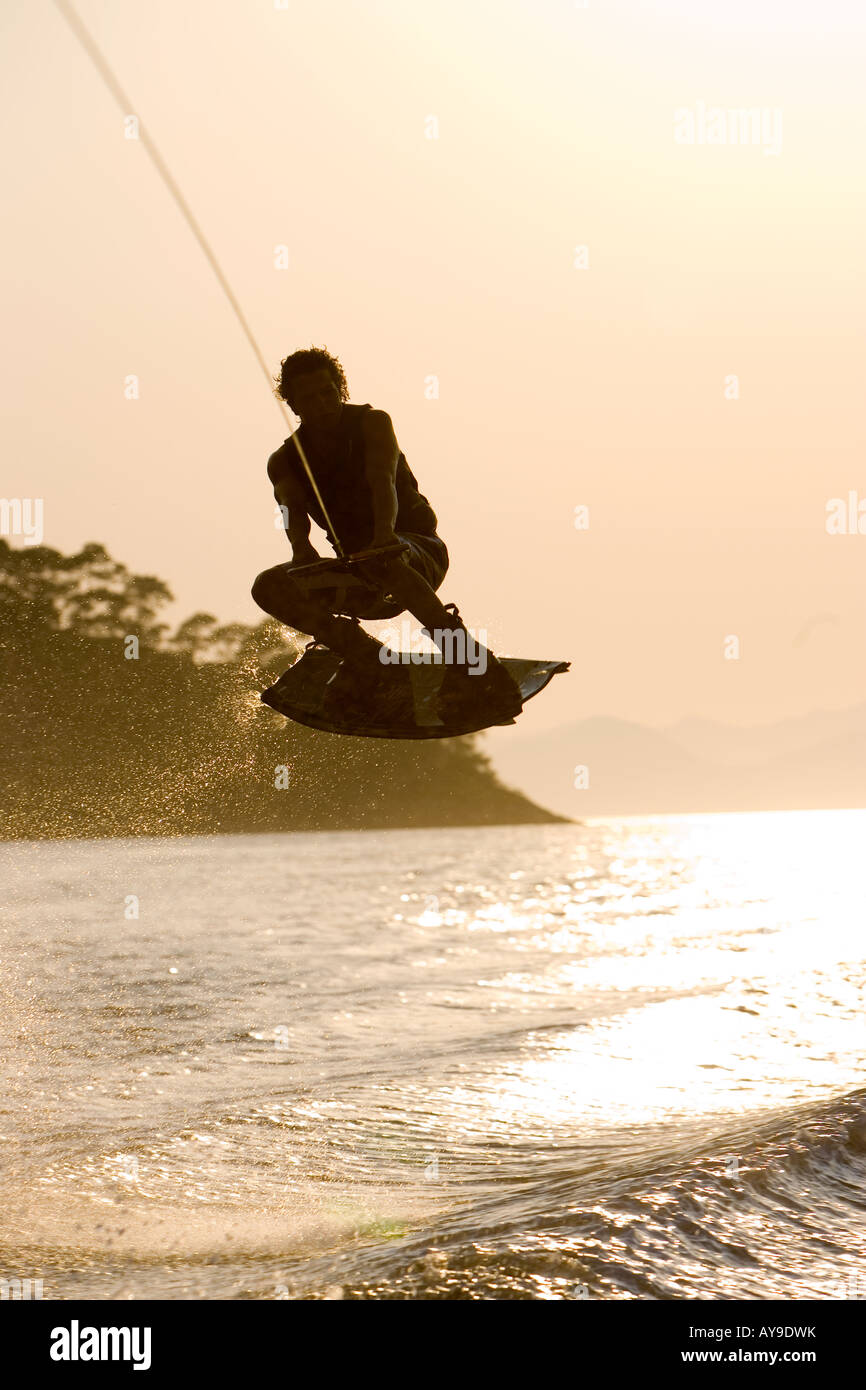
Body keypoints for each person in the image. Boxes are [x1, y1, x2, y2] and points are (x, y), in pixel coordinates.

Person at [251, 346, 520, 715]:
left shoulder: (372, 424)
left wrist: (384, 535)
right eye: (309, 397)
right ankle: (366, 658)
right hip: (360, 576)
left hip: (416, 553)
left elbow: (382, 480)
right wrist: (301, 549)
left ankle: (471, 661)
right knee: (269, 585)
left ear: (340, 389)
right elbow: (291, 507)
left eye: (328, 391)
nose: (322, 403)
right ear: (293, 405)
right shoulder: (284, 460)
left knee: (383, 559)